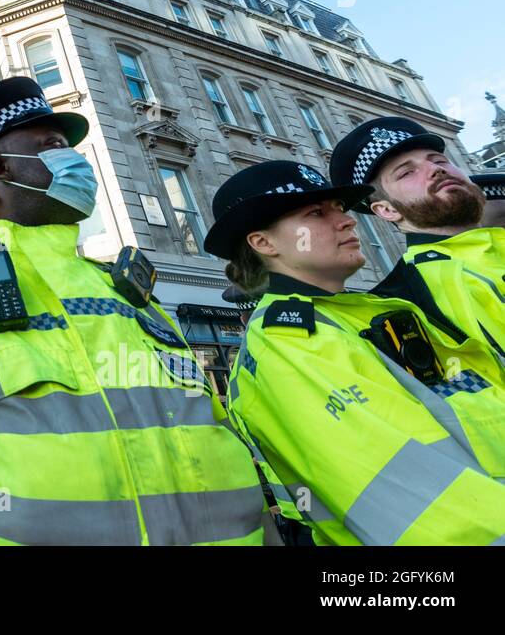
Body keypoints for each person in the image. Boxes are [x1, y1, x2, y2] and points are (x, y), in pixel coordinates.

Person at [0, 77, 265, 545]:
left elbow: (215, 423)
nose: (77, 160)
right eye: (54, 146)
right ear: (1, 167)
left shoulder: (129, 291)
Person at [209, 160, 505, 544]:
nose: (347, 222)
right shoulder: (290, 343)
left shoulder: (365, 313)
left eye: (340, 210)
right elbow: (425, 504)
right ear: (264, 243)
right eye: (316, 213)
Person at [330, 117, 505, 353]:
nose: (436, 169)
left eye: (439, 160)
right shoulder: (401, 303)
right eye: (406, 173)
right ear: (387, 210)